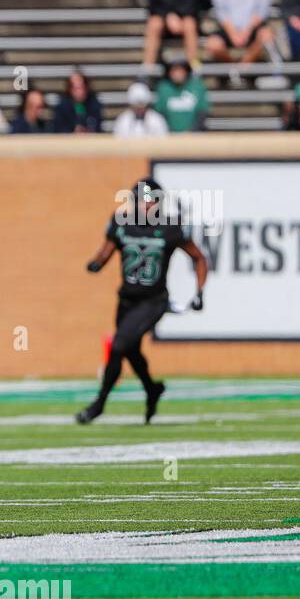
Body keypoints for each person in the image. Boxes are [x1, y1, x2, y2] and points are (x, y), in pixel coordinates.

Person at [77, 179, 208, 425]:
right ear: (134, 201)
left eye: (152, 201)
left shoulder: (171, 228)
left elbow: (198, 258)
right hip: (126, 299)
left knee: (118, 346)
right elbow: (105, 252)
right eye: (143, 201)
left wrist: (199, 292)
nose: (147, 206)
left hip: (153, 301)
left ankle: (99, 404)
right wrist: (94, 264)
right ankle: (152, 388)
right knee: (130, 350)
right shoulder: (121, 223)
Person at [141, 0, 209, 74]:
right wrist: (167, 15)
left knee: (189, 23)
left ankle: (194, 67)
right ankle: (147, 69)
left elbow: (205, 4)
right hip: (166, 25)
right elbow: (152, 7)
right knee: (154, 23)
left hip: (188, 23)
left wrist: (182, 15)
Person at [153, 57, 210, 132]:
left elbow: (202, 112)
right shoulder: (164, 87)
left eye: (180, 70)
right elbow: (160, 113)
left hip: (194, 135)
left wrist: (192, 131)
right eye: (174, 70)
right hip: (169, 135)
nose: (177, 74)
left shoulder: (197, 87)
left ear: (186, 71)